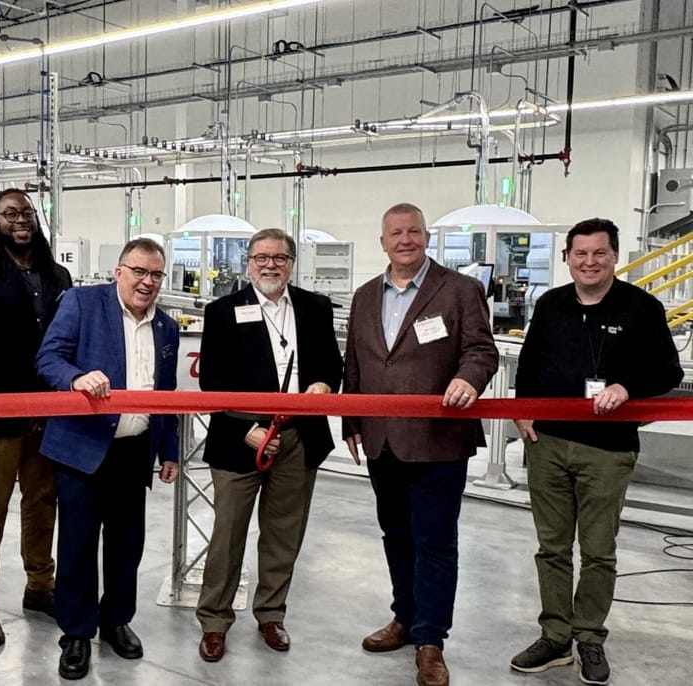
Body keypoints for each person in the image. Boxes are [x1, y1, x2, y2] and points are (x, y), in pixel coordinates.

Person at [509, 219, 682, 686]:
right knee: (552, 548)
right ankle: (555, 636)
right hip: (547, 444)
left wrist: (628, 387)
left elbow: (668, 371)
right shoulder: (550, 305)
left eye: (599, 254)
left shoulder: (642, 308)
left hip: (607, 449)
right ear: (567, 257)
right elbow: (529, 365)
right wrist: (522, 412)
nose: (589, 262)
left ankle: (589, 637)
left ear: (614, 256)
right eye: (580, 254)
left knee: (599, 551)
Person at [342, 202, 498, 686]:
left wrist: (469, 380)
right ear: (382, 241)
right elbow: (358, 361)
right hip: (382, 440)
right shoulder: (366, 296)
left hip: (437, 440)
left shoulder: (459, 290)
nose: (404, 239)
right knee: (396, 536)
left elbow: (481, 349)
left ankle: (431, 640)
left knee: (435, 542)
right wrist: (351, 420)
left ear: (426, 238)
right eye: (395, 233)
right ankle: (405, 618)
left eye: (413, 231)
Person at [194, 228, 343, 662]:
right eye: (261, 257)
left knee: (284, 533)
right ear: (248, 263)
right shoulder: (223, 311)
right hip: (242, 437)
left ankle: (271, 612)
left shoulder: (316, 308)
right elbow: (212, 382)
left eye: (279, 257)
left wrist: (320, 384)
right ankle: (215, 620)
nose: (270, 265)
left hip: (299, 437)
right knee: (228, 535)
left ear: (292, 263)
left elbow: (330, 365)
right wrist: (247, 429)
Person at [35, 238, 180, 681]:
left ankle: (116, 620)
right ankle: (76, 632)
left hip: (134, 451)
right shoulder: (82, 303)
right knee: (77, 545)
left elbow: (167, 395)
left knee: (127, 544)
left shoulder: (167, 327)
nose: (147, 282)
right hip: (82, 448)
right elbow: (48, 359)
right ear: (119, 271)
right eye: (139, 271)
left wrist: (169, 449)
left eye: (156, 275)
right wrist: (77, 377)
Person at [0, 189, 72, 645]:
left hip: (49, 410)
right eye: (10, 213)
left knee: (43, 503)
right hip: (0, 411)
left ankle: (40, 586)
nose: (20, 220)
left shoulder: (55, 273)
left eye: (26, 213)